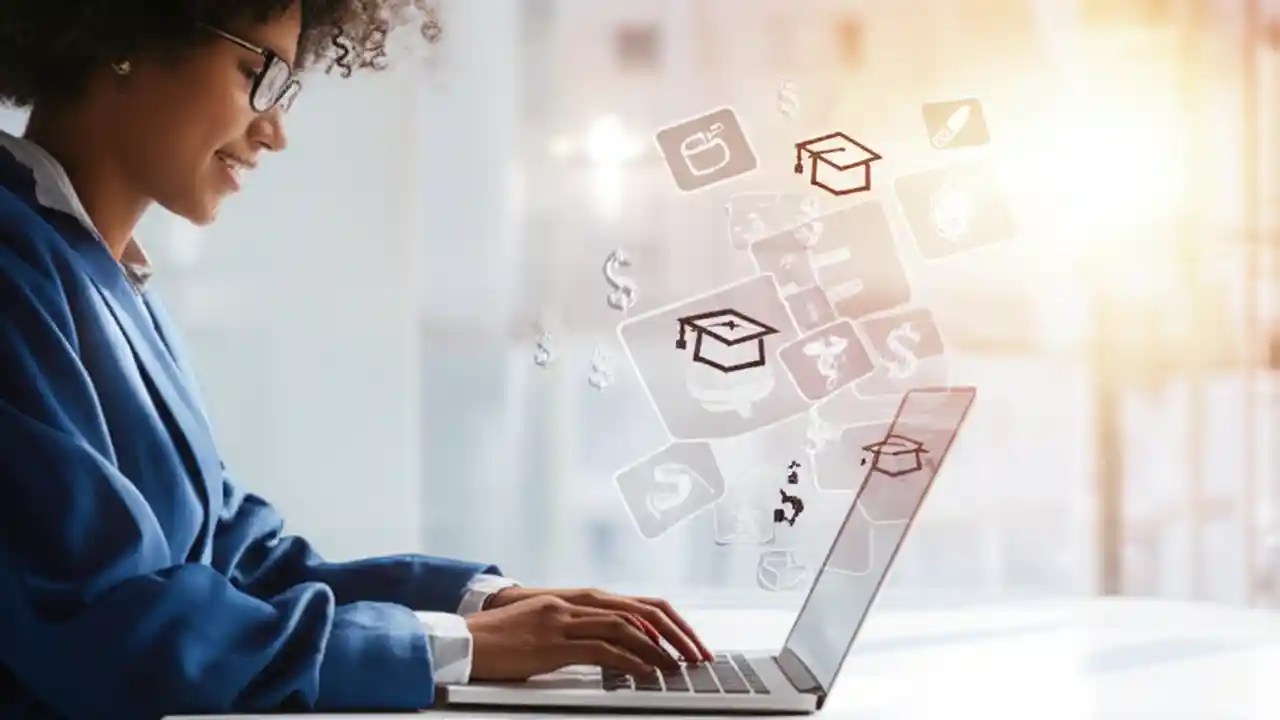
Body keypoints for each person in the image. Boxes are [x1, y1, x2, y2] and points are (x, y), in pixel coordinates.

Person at [0, 2, 713, 717]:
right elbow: (107, 625)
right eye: (256, 73)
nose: (274, 131)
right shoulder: (15, 271)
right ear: (126, 37)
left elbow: (239, 560)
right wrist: (458, 646)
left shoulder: (100, 276)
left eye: (285, 89)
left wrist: (488, 604)